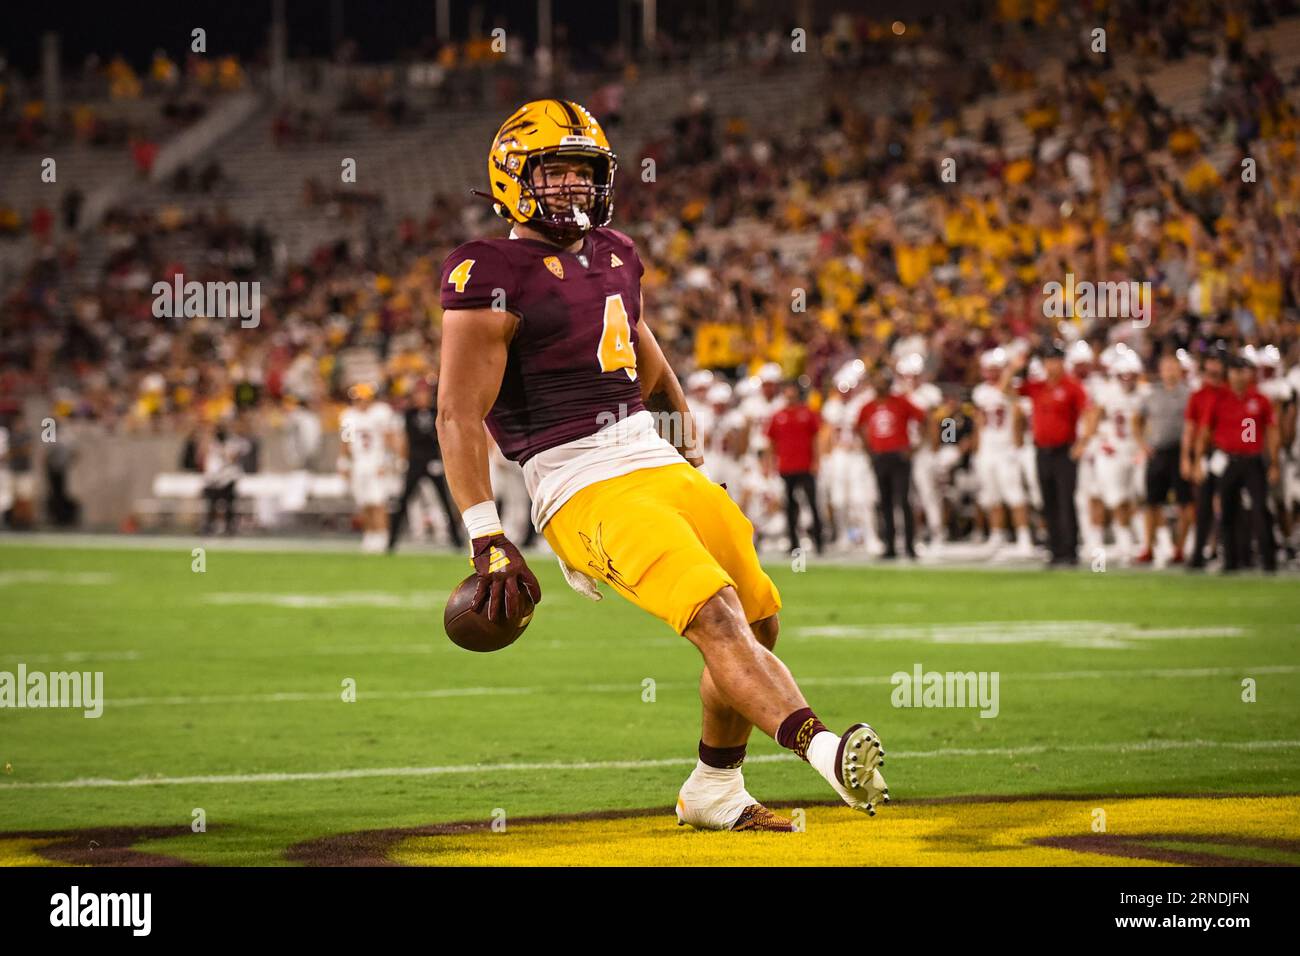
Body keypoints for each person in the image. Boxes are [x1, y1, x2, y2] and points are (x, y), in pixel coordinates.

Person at [435, 99, 889, 834]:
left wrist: (682, 434)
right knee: (710, 614)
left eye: (584, 175)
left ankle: (714, 787)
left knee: (760, 617)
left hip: (649, 453)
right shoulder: (487, 270)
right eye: (554, 175)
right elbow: (457, 412)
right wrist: (485, 533)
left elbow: (642, 347)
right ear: (514, 179)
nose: (572, 190)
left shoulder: (616, 251)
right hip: (577, 476)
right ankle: (824, 748)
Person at [1004, 343, 1092, 567]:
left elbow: (1089, 413)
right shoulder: (1037, 387)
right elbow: (1005, 390)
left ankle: (1070, 551)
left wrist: (1083, 442)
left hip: (1065, 450)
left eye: (1055, 360)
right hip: (1042, 450)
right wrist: (1014, 367)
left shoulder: (1072, 387)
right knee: (1048, 501)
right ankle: (1055, 550)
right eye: (1048, 360)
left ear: (1062, 362)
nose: (1052, 364)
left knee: (1065, 500)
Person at [1194, 355, 1279, 573]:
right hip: (1227, 460)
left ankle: (1269, 560)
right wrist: (1198, 459)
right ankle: (1230, 560)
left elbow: (1271, 432)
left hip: (1253, 460)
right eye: (1234, 371)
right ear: (1229, 373)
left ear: (1249, 373)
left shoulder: (1260, 399)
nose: (1238, 375)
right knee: (1227, 510)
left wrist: (1274, 462)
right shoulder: (1219, 398)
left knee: (1260, 509)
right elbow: (1205, 430)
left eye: (1242, 371)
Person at [857, 365, 925, 559]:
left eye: (882, 382)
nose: (880, 386)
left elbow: (923, 418)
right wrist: (868, 450)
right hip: (880, 456)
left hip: (899, 455)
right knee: (884, 502)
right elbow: (859, 427)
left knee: (903, 501)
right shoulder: (868, 406)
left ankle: (910, 546)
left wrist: (915, 446)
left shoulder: (901, 402)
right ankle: (890, 546)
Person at [388, 377, 461, 552]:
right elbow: (404, 438)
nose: (422, 397)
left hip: (433, 460)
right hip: (415, 461)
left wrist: (441, 459)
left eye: (425, 393)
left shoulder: (436, 411)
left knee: (444, 500)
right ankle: (391, 540)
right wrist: (402, 460)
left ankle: (456, 540)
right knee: (403, 499)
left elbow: (444, 438)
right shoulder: (408, 414)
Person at [1137, 352, 1192, 563]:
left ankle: (1180, 548)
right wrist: (1142, 443)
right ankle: (1148, 547)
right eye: (1165, 367)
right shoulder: (1152, 393)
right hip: (1157, 452)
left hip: (1179, 452)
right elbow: (1137, 419)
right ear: (1160, 370)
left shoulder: (1188, 394)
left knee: (1185, 503)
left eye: (1172, 367)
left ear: (1179, 369)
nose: (1169, 371)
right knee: (1151, 502)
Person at [765, 381, 824, 555]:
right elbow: (771, 441)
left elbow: (816, 438)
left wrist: (817, 461)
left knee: (812, 503)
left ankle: (819, 540)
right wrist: (770, 463)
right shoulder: (778, 415)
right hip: (786, 466)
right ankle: (793, 541)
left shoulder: (807, 413)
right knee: (790, 506)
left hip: (805, 465)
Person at [340, 383, 396, 553]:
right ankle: (370, 535)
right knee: (364, 502)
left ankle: (383, 535)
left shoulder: (381, 413)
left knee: (378, 501)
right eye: (357, 399)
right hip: (359, 462)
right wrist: (344, 463)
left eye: (364, 398)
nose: (361, 402)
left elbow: (389, 438)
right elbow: (345, 442)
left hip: (376, 460)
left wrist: (387, 461)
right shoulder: (348, 416)